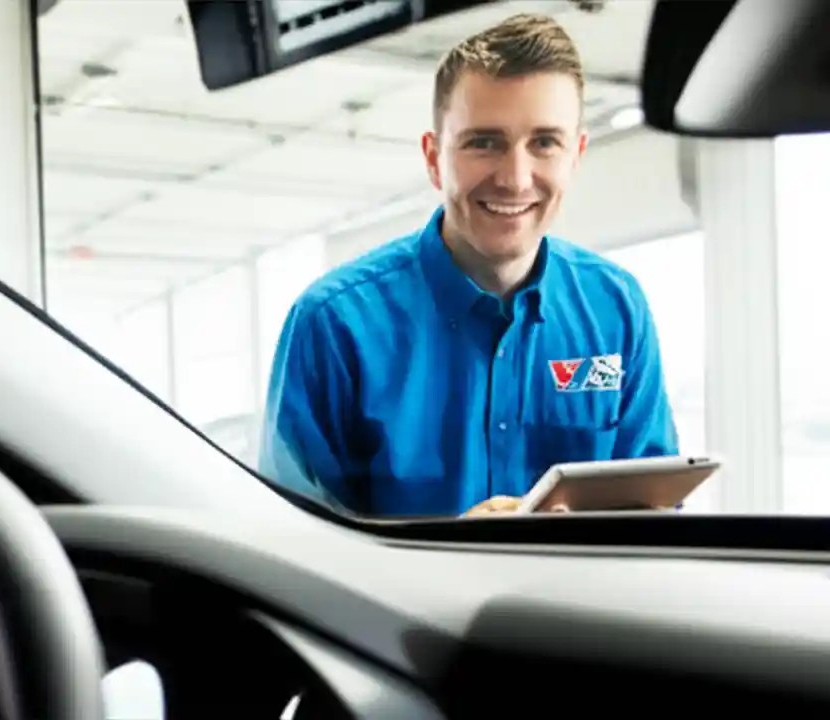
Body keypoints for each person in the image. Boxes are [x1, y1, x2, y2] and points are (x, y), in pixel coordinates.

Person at [258, 13, 678, 518]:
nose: (516, 179)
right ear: (434, 159)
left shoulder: (617, 309)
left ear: (576, 155)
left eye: (544, 143)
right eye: (484, 143)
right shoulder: (334, 325)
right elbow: (290, 546)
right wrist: (449, 553)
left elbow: (655, 515)